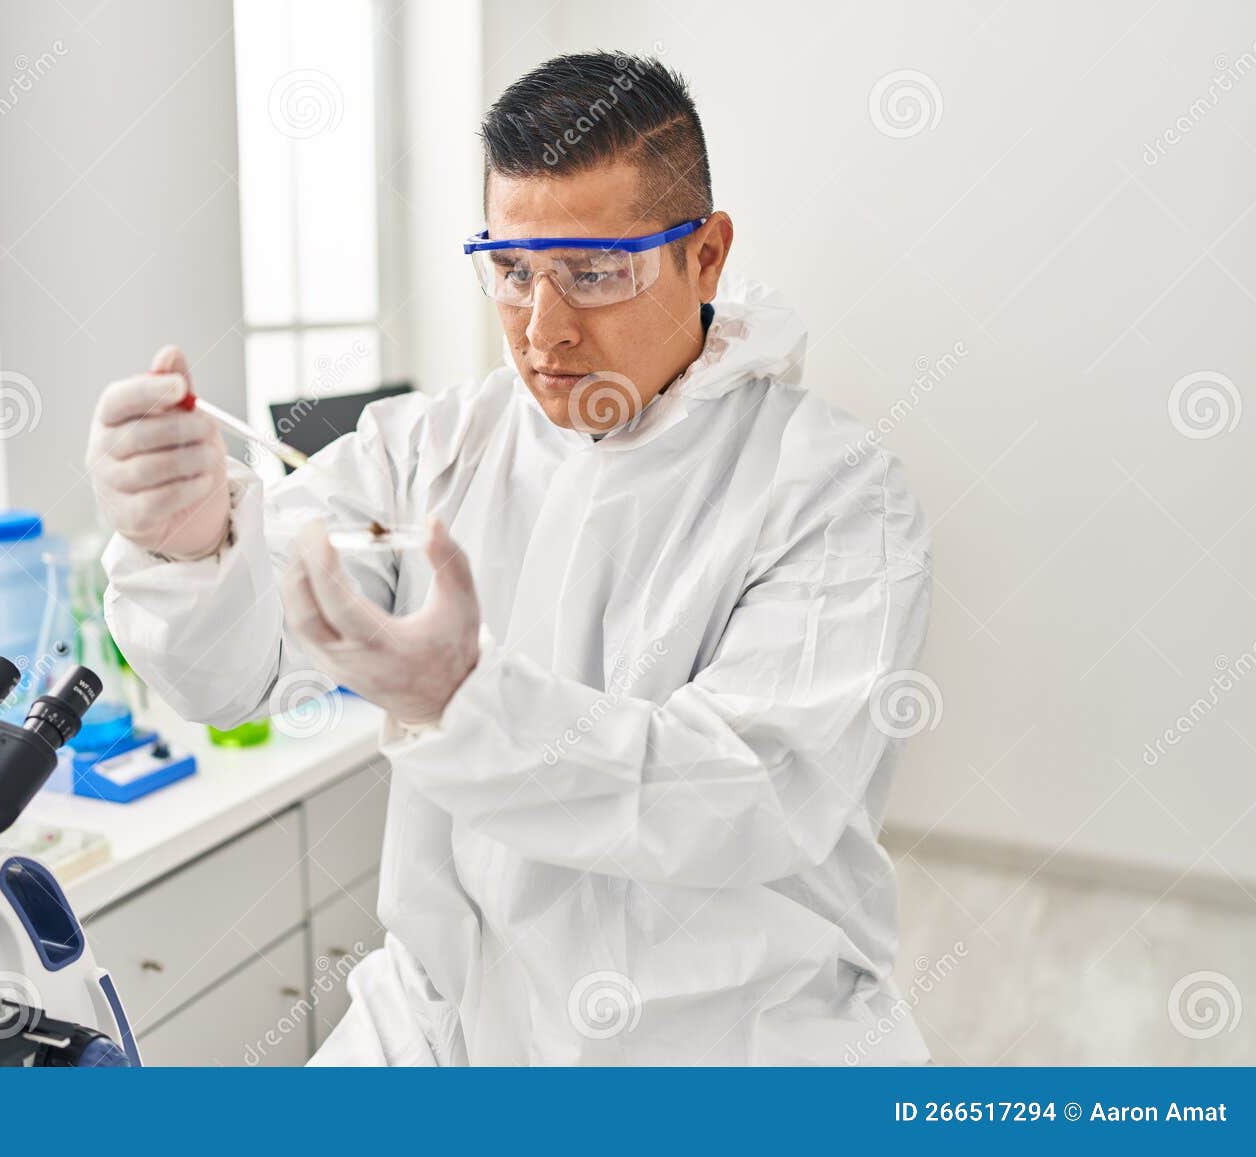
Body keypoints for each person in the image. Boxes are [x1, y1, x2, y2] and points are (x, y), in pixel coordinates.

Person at [87, 51, 932, 1065]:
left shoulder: (832, 491)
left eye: (593, 273)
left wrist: (466, 700)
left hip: (724, 1044)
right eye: (513, 270)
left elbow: (744, 800)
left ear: (704, 257)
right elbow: (230, 677)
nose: (541, 330)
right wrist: (185, 544)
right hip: (445, 1023)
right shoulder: (429, 447)